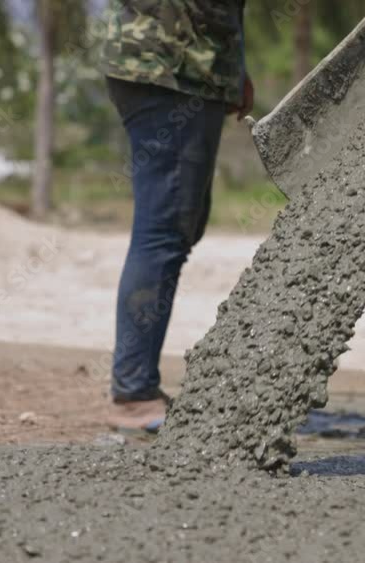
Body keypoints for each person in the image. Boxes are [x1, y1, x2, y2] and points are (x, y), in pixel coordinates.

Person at [101, 0, 254, 432]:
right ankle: (133, 395)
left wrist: (232, 68)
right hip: (168, 70)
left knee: (181, 224)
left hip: (185, 68)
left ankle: (137, 385)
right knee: (163, 230)